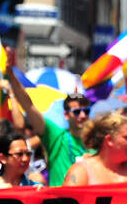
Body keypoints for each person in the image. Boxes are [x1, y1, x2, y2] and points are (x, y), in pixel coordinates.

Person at [5, 58, 91, 187]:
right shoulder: (56, 136)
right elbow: (28, 106)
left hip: (88, 203)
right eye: (77, 112)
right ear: (66, 115)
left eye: (86, 111)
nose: (83, 115)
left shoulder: (97, 142)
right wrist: (11, 76)